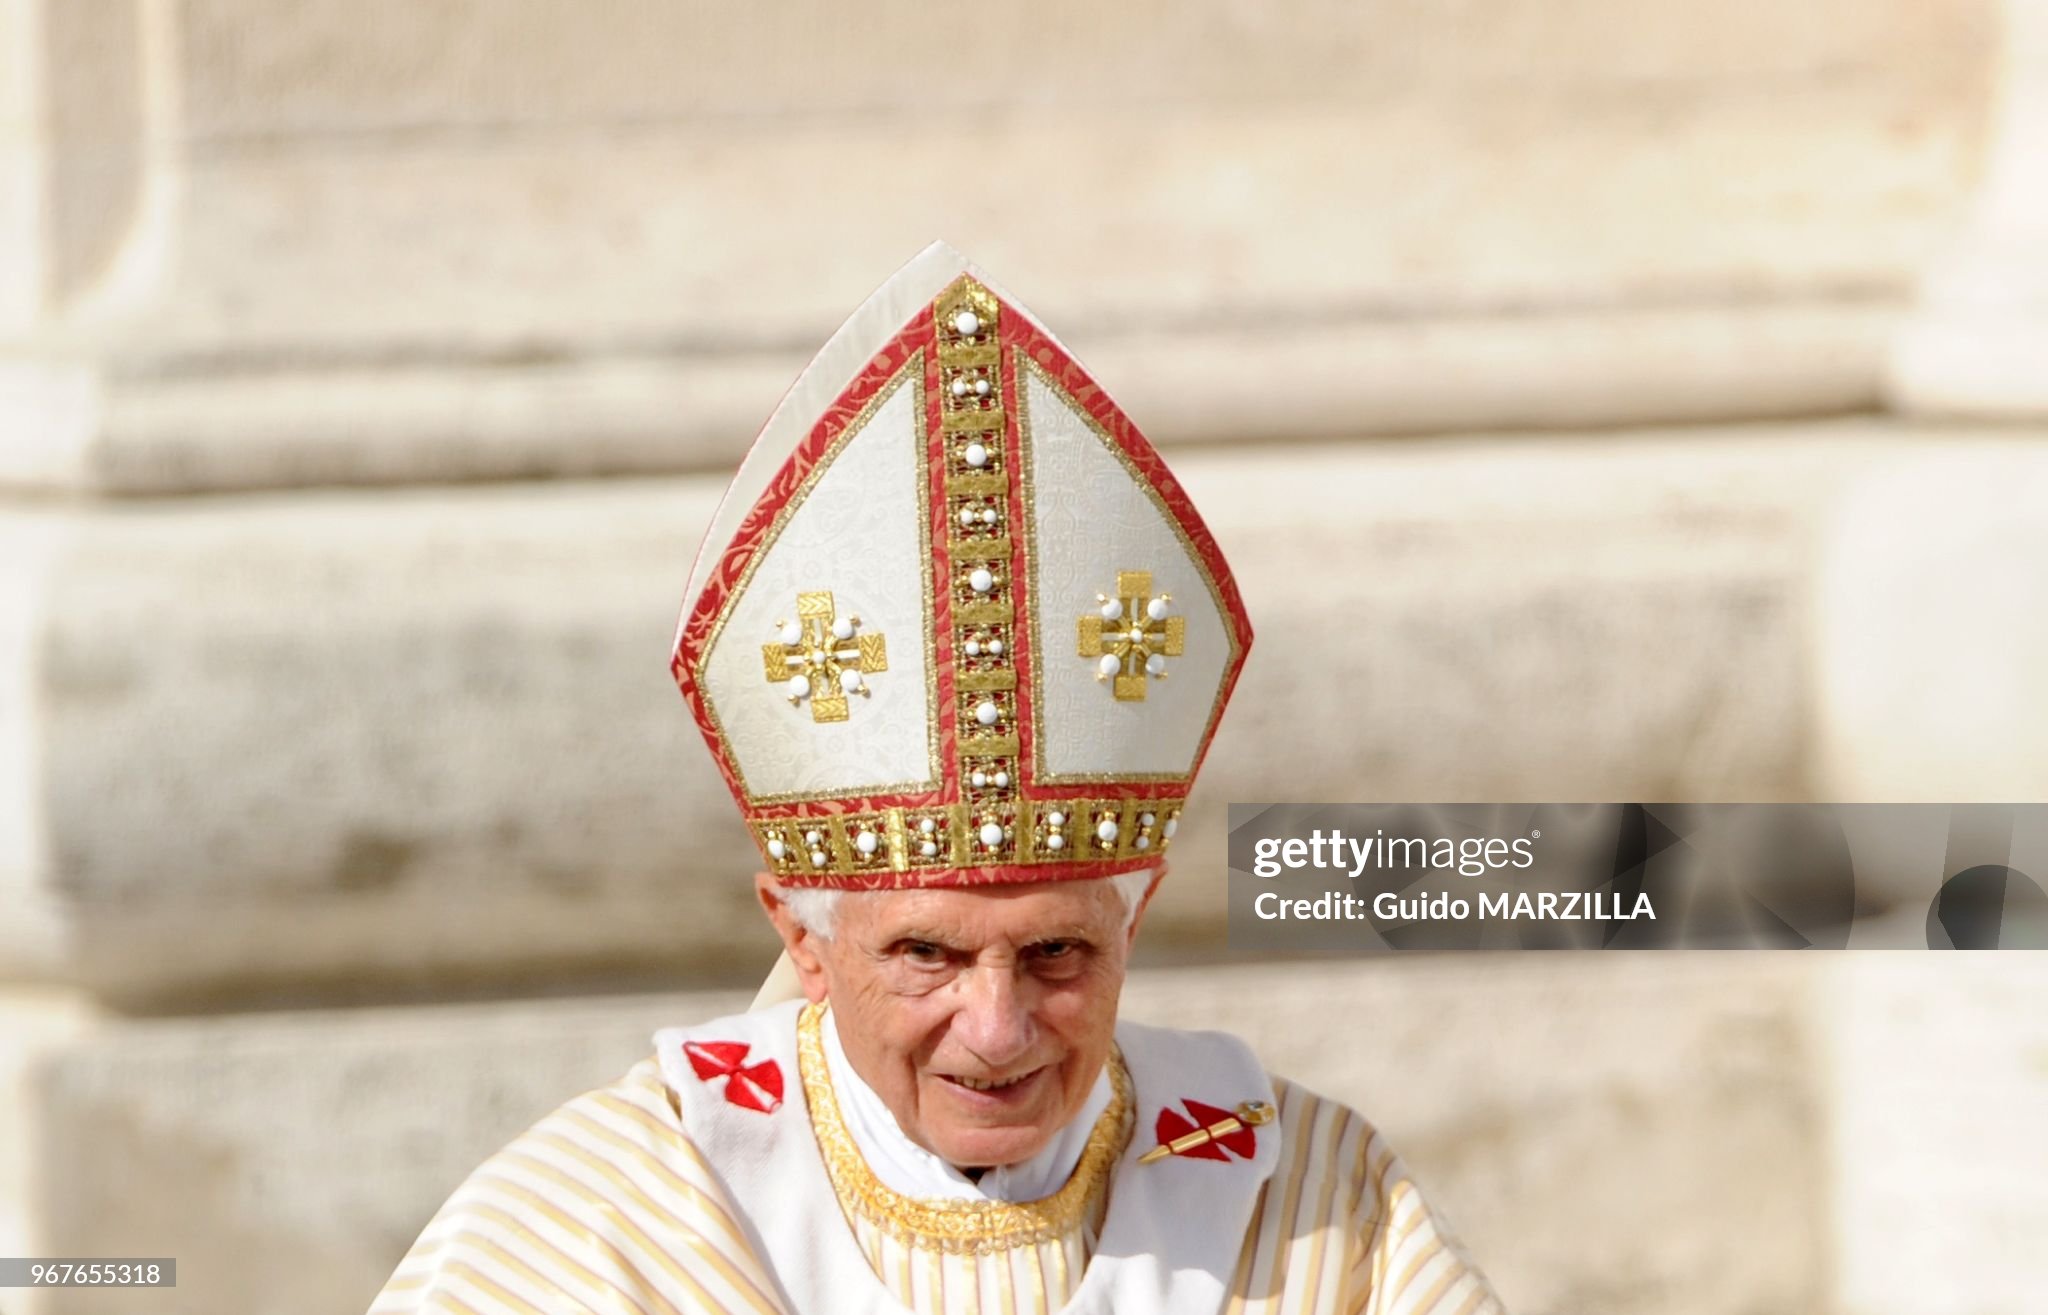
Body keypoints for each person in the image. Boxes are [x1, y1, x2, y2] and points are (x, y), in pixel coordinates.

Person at [369, 243, 1504, 1315]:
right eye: (928, 953)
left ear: (1135, 912)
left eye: (1055, 951)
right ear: (801, 937)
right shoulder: (602, 1233)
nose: (997, 1027)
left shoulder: (1313, 1215)